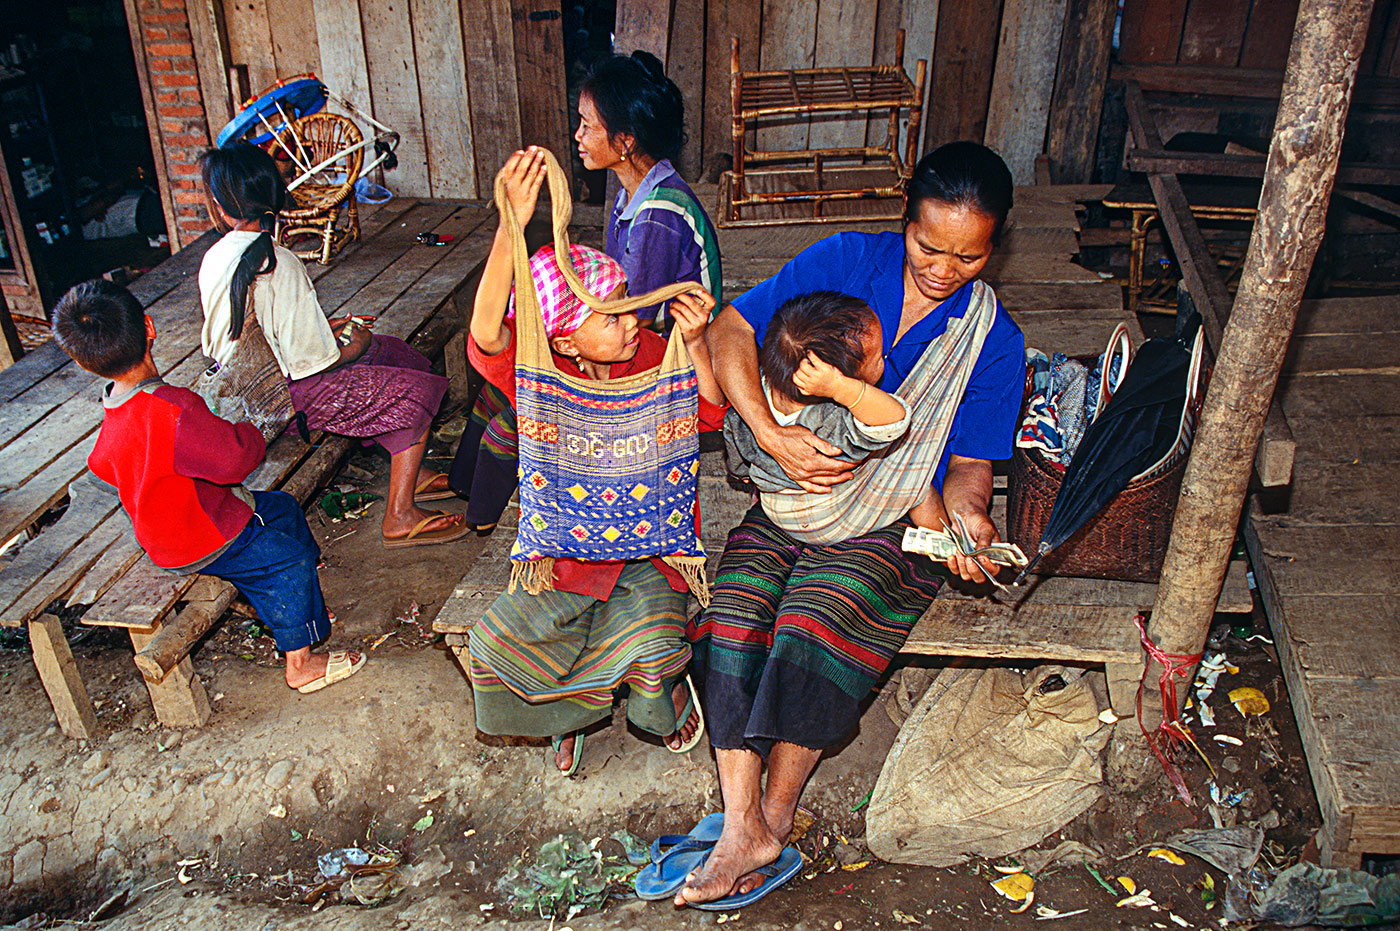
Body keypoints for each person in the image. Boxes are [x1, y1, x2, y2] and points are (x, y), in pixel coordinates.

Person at [676, 141, 1026, 909]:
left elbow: (970, 465)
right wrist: (769, 431)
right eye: (928, 244)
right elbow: (734, 330)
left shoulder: (991, 340)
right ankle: (741, 822)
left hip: (899, 512)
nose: (941, 267)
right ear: (904, 219)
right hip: (798, 493)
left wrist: (968, 519)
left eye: (967, 256)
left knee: (814, 618)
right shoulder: (845, 260)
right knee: (734, 609)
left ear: (993, 246)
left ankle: (773, 815)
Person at [464, 148, 727, 776]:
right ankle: (569, 713)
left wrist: (694, 342)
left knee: (651, 642)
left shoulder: (656, 354)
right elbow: (486, 333)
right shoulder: (539, 373)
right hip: (566, 556)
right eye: (608, 320)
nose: (631, 324)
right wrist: (511, 226)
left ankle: (659, 703)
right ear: (561, 338)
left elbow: (711, 414)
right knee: (497, 641)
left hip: (650, 552)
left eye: (629, 306)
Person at [445, 49, 723, 531]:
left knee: (518, 411)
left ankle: (481, 520)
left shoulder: (661, 215)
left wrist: (559, 335)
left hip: (656, 355)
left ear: (626, 140)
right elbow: (607, 299)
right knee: (498, 390)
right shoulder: (628, 191)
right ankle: (464, 489)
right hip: (607, 332)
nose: (577, 136)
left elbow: (630, 312)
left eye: (588, 125)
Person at [51, 279, 364, 693]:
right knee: (288, 563)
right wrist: (248, 429)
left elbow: (103, 468)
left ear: (83, 364)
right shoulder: (174, 408)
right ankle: (300, 664)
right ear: (150, 327)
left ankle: (304, 610)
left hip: (170, 530)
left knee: (283, 508)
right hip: (205, 536)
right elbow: (235, 461)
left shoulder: (115, 408)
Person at [197, 143, 468, 549]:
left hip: (253, 385)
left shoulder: (215, 257)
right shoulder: (279, 261)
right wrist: (352, 349)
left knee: (394, 353)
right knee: (417, 390)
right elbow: (309, 367)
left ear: (220, 207)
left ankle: (415, 470)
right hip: (282, 401)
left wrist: (323, 328)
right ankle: (399, 514)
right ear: (276, 195)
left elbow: (259, 334)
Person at [724, 290, 911, 502]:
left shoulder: (747, 403)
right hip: (827, 510)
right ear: (833, 379)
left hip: (772, 500)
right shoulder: (834, 421)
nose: (884, 363)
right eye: (877, 359)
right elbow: (895, 420)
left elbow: (735, 446)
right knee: (917, 485)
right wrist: (842, 389)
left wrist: (740, 472)